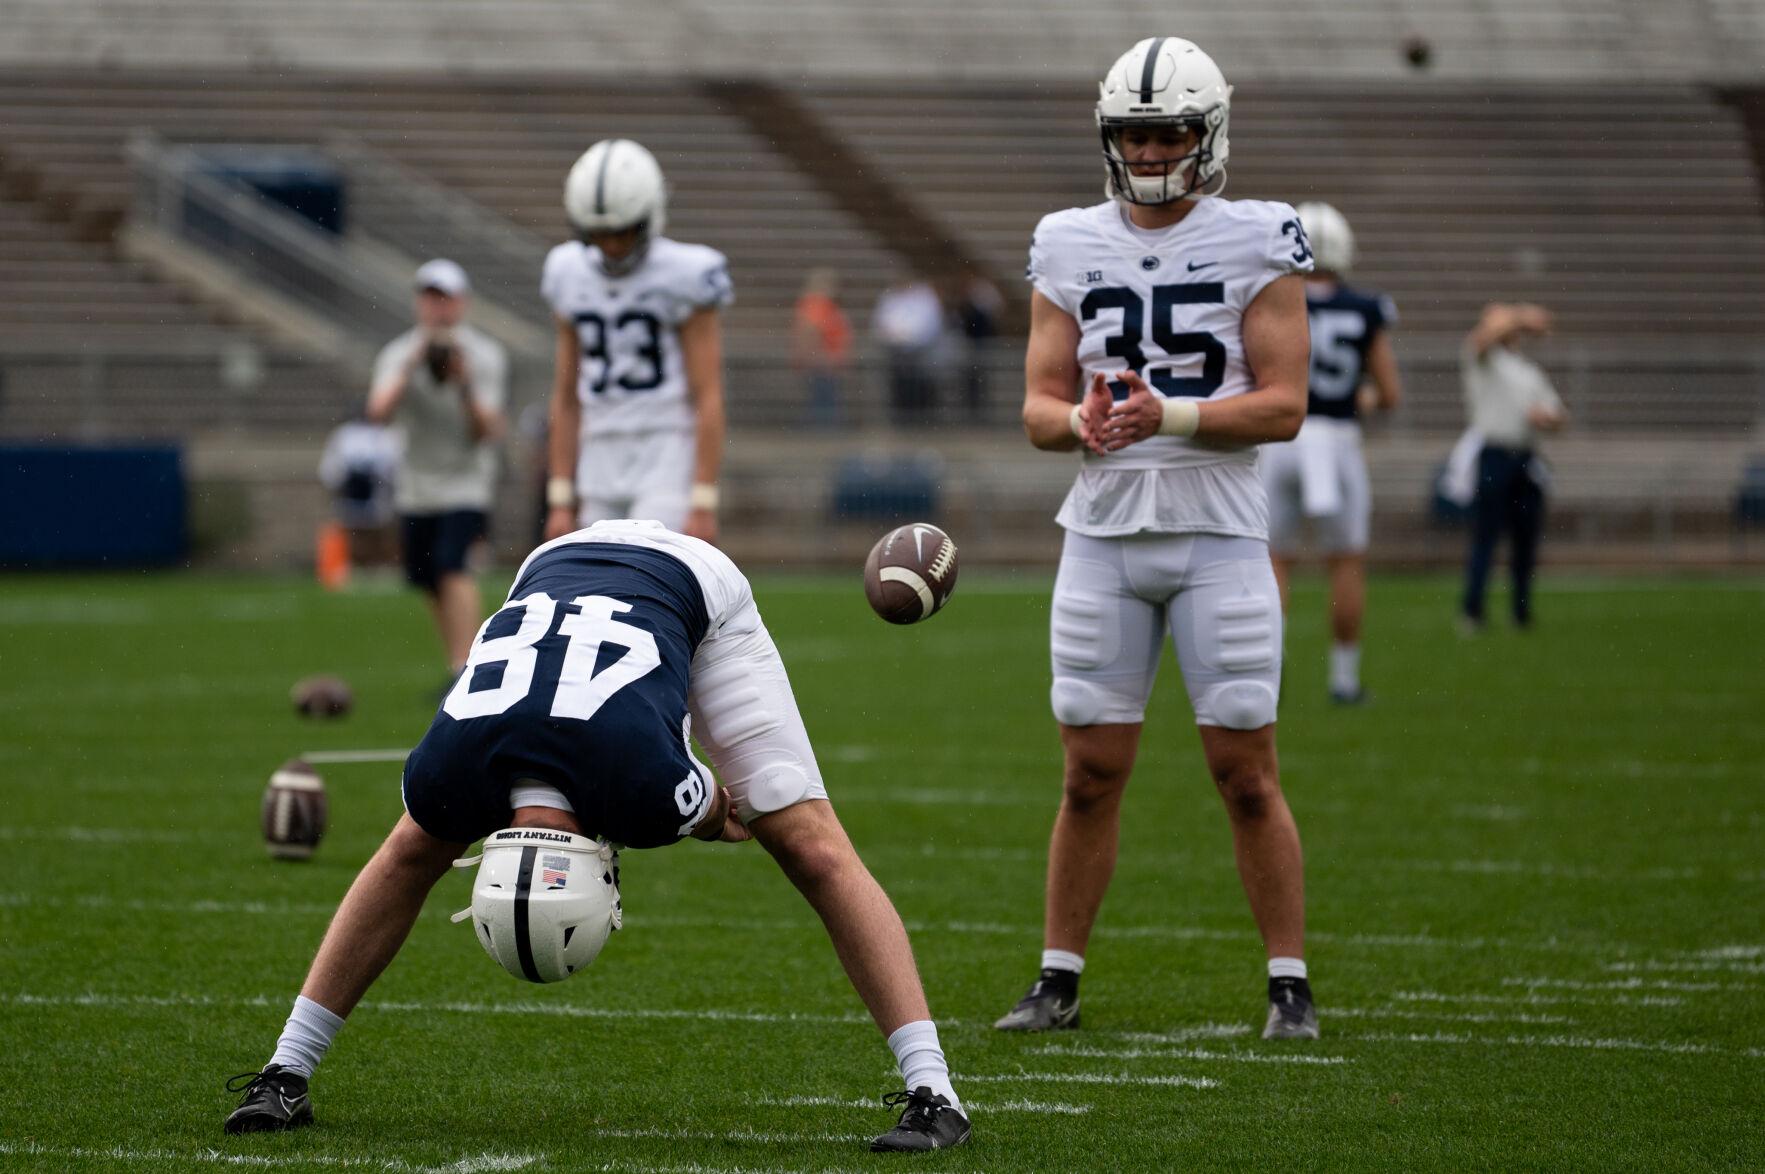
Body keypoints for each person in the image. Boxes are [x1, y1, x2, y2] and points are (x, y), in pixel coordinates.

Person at [222, 519, 971, 1153]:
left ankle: (935, 1089)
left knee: (810, 844)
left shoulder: (634, 794)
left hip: (690, 582)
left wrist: (718, 812)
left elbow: (725, 815)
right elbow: (689, 797)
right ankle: (284, 1072)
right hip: (550, 566)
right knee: (410, 848)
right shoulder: (447, 776)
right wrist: (703, 800)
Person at [1001, 36, 1319, 1041]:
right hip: (1100, 537)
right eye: (1132, 133)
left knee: (1244, 768)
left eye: (1166, 131)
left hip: (1218, 534)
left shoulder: (1259, 235)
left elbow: (1283, 405)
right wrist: (1082, 426)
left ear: (1206, 133)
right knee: (1087, 771)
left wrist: (1168, 418)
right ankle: (1056, 978)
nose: (1146, 151)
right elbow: (1038, 406)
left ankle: (1287, 982)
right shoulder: (1062, 240)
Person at [542, 140, 731, 546]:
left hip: (665, 446)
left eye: (622, 232)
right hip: (598, 448)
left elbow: (708, 393)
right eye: (600, 233)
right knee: (597, 585)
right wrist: (560, 494)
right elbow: (565, 394)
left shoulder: (685, 272)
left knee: (647, 574)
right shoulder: (566, 271)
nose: (611, 245)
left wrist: (703, 496)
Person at [1259, 201, 1402, 703]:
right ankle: (1343, 681)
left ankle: (1267, 677)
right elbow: (1389, 394)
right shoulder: (1365, 309)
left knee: (1275, 560)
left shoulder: (1273, 300)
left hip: (1280, 438)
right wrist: (1357, 396)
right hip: (1337, 440)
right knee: (1344, 561)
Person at [366, 259, 508, 678]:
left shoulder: (484, 354)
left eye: (444, 299)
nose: (437, 309)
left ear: (461, 303)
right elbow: (377, 413)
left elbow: (486, 430)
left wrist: (463, 384)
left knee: (452, 565)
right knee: (426, 576)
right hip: (416, 483)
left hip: (466, 481)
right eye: (430, 299)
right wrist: (412, 366)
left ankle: (469, 664)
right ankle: (455, 664)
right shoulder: (397, 353)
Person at [1460, 302, 1566, 630]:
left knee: (1525, 539)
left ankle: (1520, 612)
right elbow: (1483, 339)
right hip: (1494, 454)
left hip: (1525, 457)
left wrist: (1547, 418)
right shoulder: (1484, 360)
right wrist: (1521, 317)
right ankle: (1473, 611)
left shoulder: (1527, 370)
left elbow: (1559, 415)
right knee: (1486, 538)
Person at [316, 410, 402, 579]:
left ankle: (377, 564)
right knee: (355, 531)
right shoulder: (345, 435)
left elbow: (390, 466)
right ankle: (356, 564)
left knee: (378, 531)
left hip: (376, 491)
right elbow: (332, 471)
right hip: (355, 491)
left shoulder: (385, 435)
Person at [871, 277, 945, 427]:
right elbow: (881, 324)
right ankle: (903, 418)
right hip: (897, 351)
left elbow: (929, 325)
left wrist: (910, 337)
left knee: (920, 385)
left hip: (921, 351)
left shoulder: (924, 298)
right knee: (900, 386)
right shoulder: (890, 297)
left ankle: (923, 418)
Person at [794, 268, 853, 427]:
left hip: (829, 362)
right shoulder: (816, 305)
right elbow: (810, 332)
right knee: (823, 404)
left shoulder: (827, 305)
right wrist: (819, 357)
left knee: (825, 402)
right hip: (822, 363)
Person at [954, 271, 1004, 423]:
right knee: (972, 383)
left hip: (979, 346)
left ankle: (978, 413)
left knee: (979, 383)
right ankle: (973, 413)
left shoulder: (982, 298)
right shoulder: (969, 303)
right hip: (972, 347)